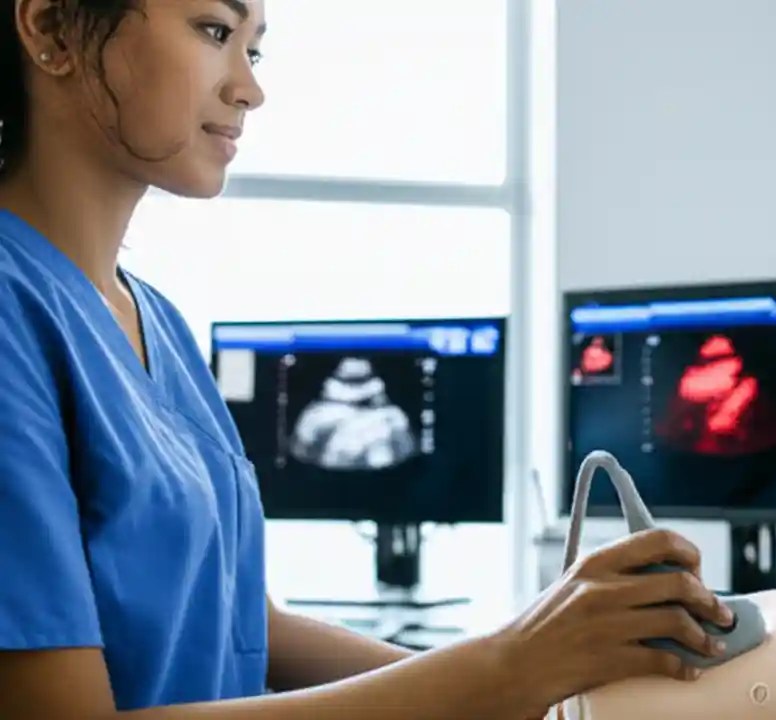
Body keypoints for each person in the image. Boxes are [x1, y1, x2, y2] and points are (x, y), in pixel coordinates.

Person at [0, 1, 732, 718]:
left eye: (252, 50)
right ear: (51, 28)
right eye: (215, 31)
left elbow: (253, 629)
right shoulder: (11, 312)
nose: (249, 88)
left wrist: (541, 681)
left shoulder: (154, 320)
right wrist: (509, 665)